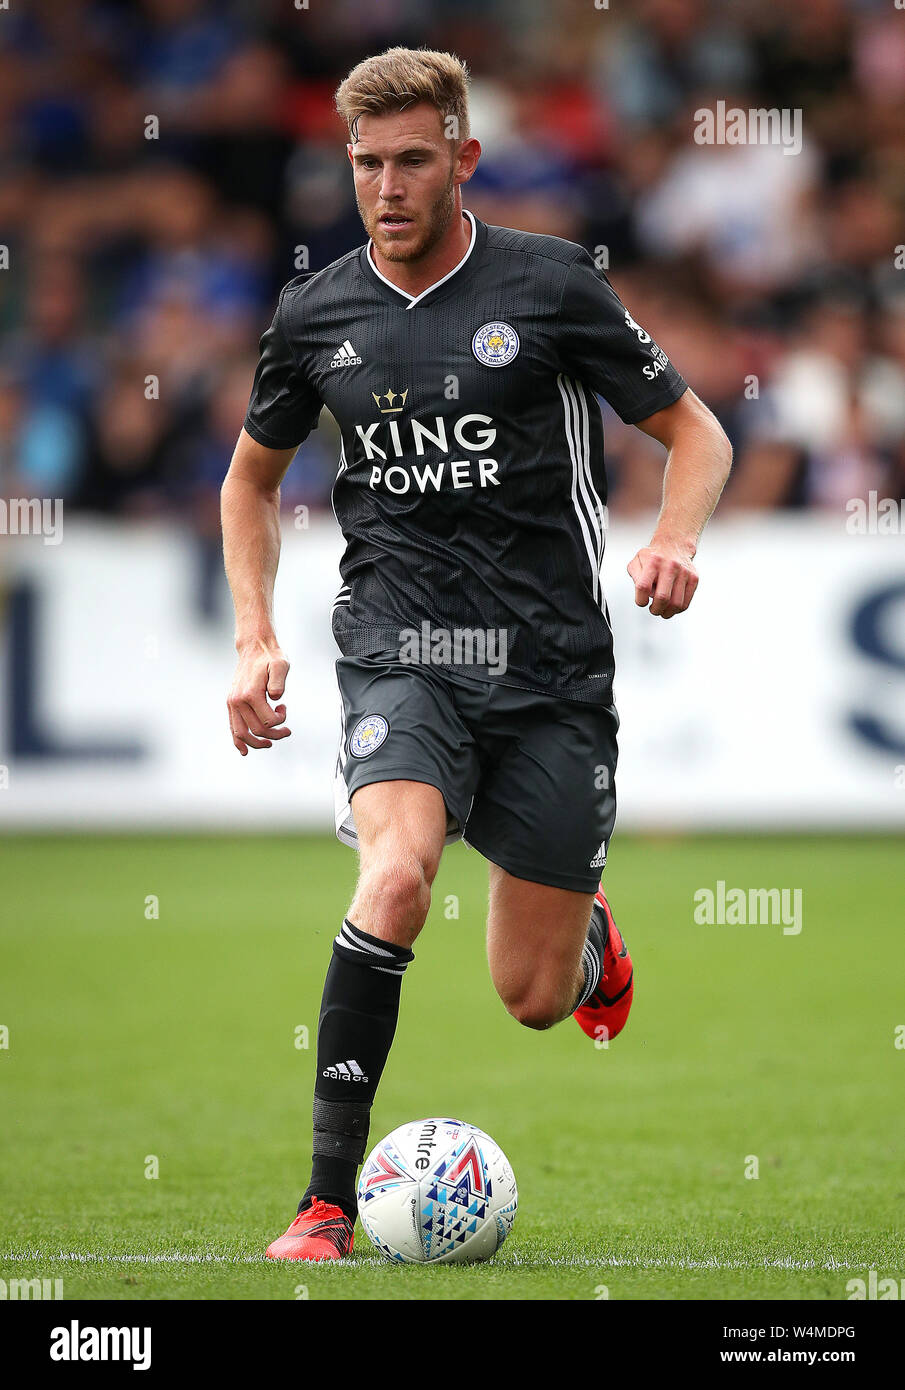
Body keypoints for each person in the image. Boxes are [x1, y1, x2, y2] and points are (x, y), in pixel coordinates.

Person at [220, 47, 732, 1261]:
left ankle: (589, 934)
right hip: (397, 651)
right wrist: (252, 636)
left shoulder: (548, 285)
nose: (386, 187)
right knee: (394, 879)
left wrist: (672, 537)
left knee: (531, 997)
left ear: (463, 158)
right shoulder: (316, 313)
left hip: (552, 671)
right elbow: (249, 483)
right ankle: (325, 1203)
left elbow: (694, 431)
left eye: (410, 160)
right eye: (364, 165)